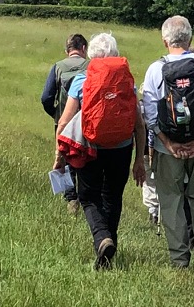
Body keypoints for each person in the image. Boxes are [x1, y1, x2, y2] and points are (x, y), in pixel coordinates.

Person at [137, 16, 194, 274]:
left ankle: (179, 259)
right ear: (190, 39)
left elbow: (150, 114)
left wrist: (167, 143)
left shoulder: (156, 69)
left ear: (164, 41)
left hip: (167, 149)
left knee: (171, 201)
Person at [54, 32, 140, 270]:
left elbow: (64, 122)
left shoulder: (82, 80)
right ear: (115, 54)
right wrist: (139, 160)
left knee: (89, 197)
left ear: (90, 54)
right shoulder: (127, 82)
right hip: (122, 148)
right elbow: (140, 125)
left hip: (91, 147)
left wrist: (59, 155)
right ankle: (109, 247)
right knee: (113, 197)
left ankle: (102, 238)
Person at [41, 34, 89, 208]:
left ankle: (71, 199)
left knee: (65, 159)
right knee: (85, 159)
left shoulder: (58, 67)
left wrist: (56, 114)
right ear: (83, 48)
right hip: (86, 123)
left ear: (67, 50)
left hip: (63, 122)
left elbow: (46, 97)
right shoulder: (90, 67)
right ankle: (85, 199)